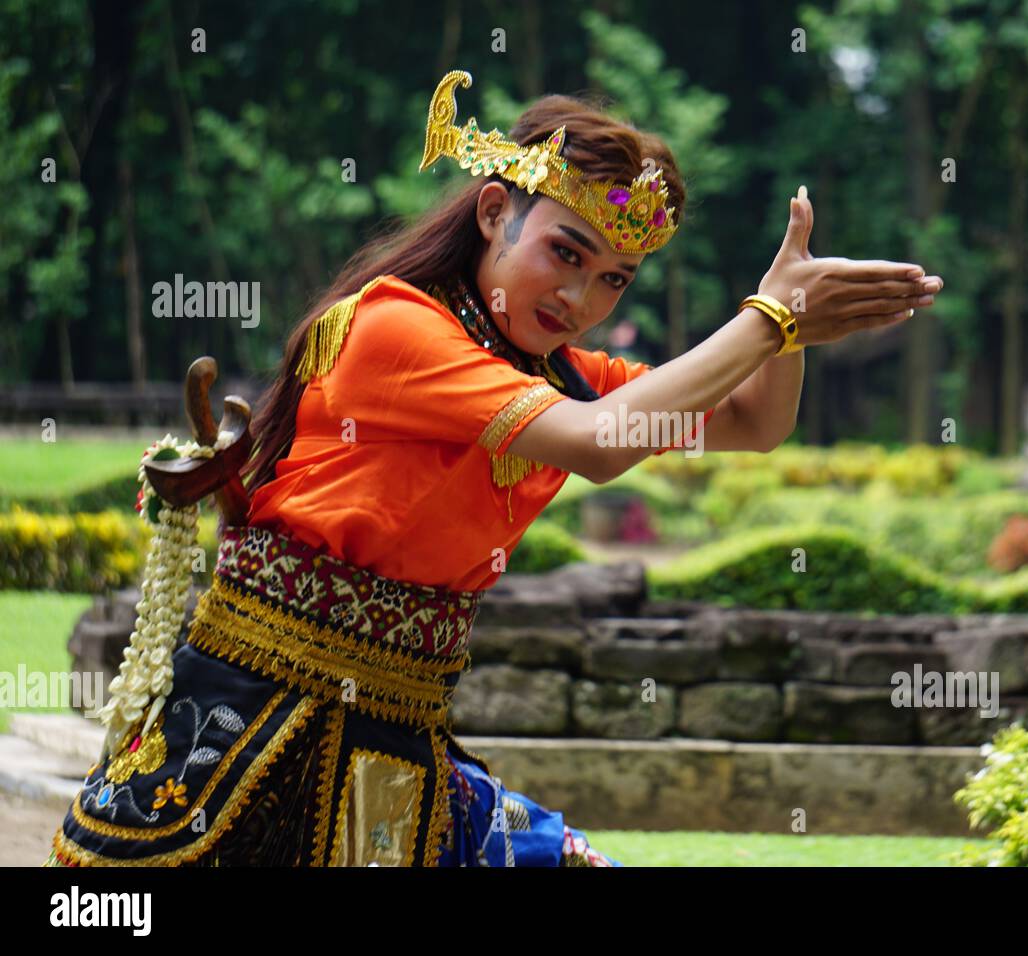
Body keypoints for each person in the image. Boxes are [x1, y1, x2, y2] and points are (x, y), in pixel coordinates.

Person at [45, 69, 942, 867]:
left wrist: (785, 320)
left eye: (615, 280)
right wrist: (769, 319)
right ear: (491, 212)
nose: (580, 299)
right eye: (566, 252)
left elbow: (753, 422)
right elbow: (597, 445)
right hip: (256, 731)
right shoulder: (395, 329)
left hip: (401, 740)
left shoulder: (558, 375)